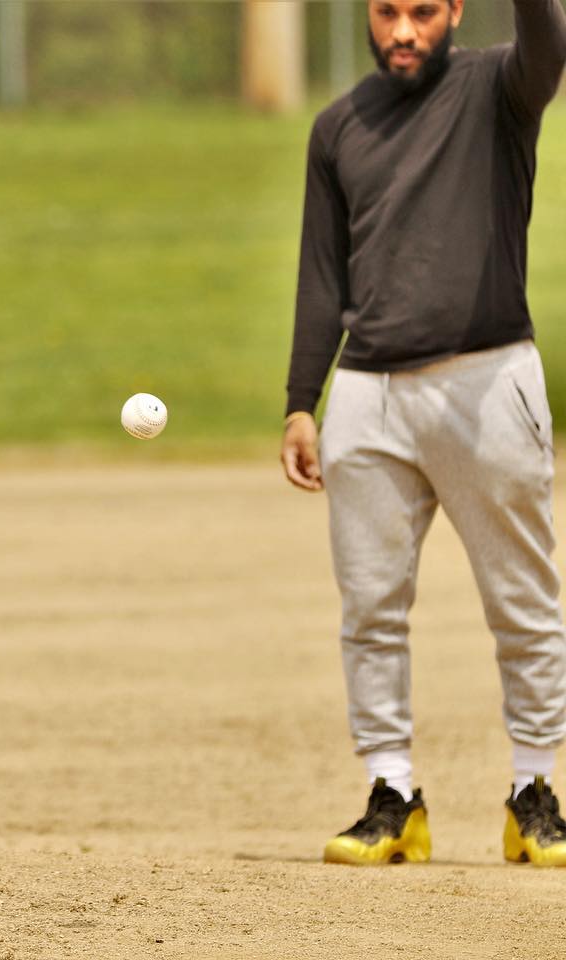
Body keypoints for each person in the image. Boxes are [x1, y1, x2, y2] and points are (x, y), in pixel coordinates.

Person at [281, 0, 566, 866]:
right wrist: (303, 397)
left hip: (486, 379)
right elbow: (323, 273)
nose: (403, 31)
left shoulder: (500, 88)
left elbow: (551, 38)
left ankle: (534, 790)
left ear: (454, 12)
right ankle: (393, 793)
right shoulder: (339, 127)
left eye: (423, 12)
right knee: (370, 608)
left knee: (523, 601)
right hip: (368, 393)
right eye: (386, 11)